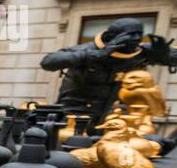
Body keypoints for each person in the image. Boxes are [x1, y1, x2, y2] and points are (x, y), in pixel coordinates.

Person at [40, 17, 175, 125]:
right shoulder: (88, 49)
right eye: (131, 34)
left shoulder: (141, 52)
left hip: (112, 118)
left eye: (139, 34)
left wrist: (165, 55)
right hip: (74, 116)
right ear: (112, 36)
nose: (136, 38)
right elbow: (48, 62)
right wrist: (95, 55)